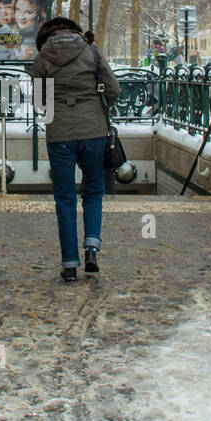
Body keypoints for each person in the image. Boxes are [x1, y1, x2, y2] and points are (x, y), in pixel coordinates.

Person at [33, 18, 121, 283]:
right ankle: (92, 248)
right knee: (93, 192)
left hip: (58, 133)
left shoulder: (42, 58)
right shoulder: (91, 51)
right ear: (74, 30)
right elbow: (114, 89)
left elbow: (39, 102)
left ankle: (70, 263)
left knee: (65, 198)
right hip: (93, 131)